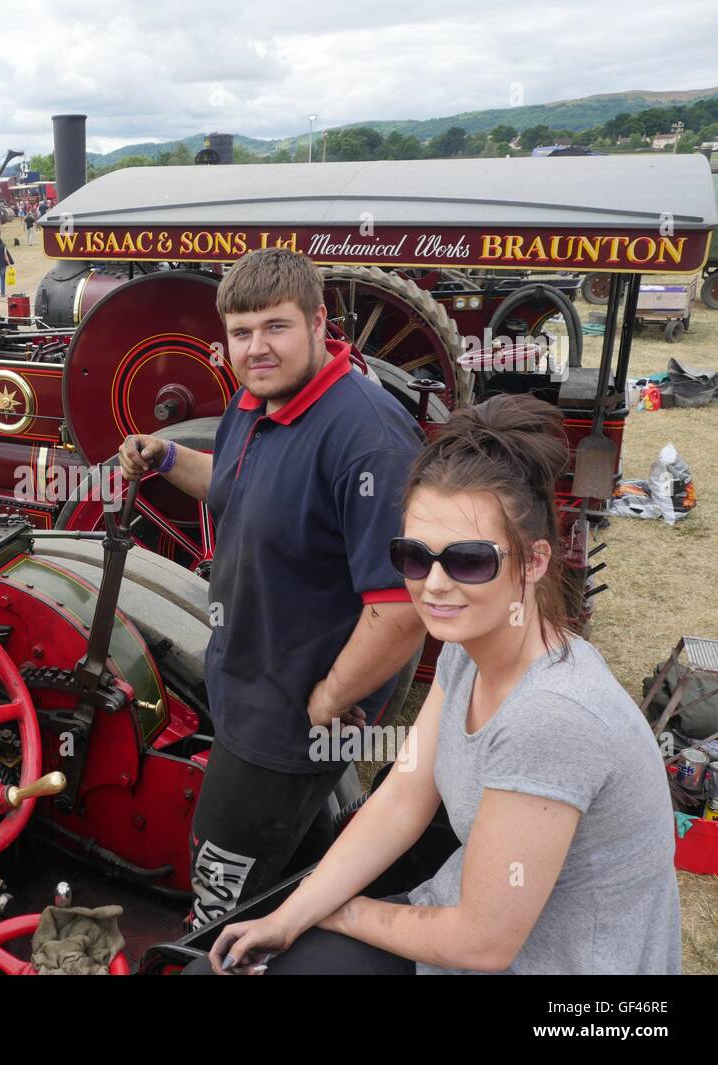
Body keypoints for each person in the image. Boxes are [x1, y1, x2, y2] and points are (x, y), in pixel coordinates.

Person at [193, 394, 681, 975]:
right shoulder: (467, 651)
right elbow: (403, 797)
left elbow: (481, 944)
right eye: (414, 556)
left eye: (470, 560)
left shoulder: (551, 717)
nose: (435, 585)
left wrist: (341, 915)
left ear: (534, 562)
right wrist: (290, 915)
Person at [118, 248, 425, 928]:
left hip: (291, 718)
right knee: (290, 866)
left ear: (319, 322)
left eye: (276, 327)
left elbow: (403, 610)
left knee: (219, 886)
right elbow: (234, 486)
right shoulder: (257, 400)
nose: (257, 347)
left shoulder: (367, 438)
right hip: (251, 684)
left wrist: (326, 701)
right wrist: (166, 455)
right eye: (241, 332)